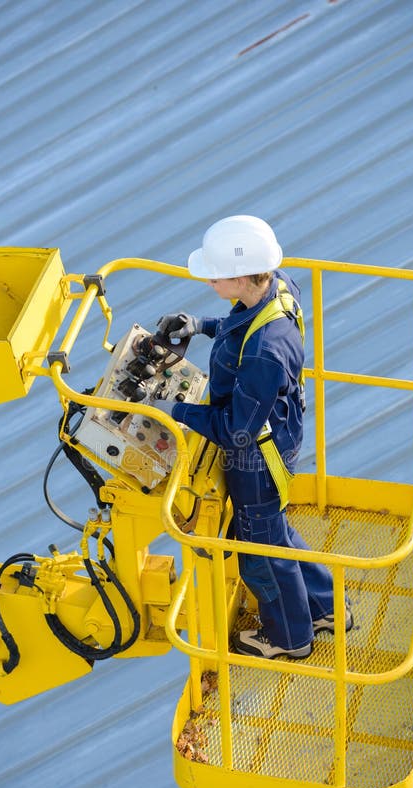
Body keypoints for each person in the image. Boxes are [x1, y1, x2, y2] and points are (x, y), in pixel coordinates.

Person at [152, 215, 351, 659]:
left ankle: (289, 639)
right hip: (278, 435)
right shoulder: (278, 288)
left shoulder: (263, 354)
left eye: (214, 275)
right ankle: (329, 608)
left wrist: (171, 411)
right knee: (275, 528)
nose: (208, 281)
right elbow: (240, 324)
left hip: (256, 459)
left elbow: (235, 432)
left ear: (241, 277)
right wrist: (200, 324)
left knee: (261, 549)